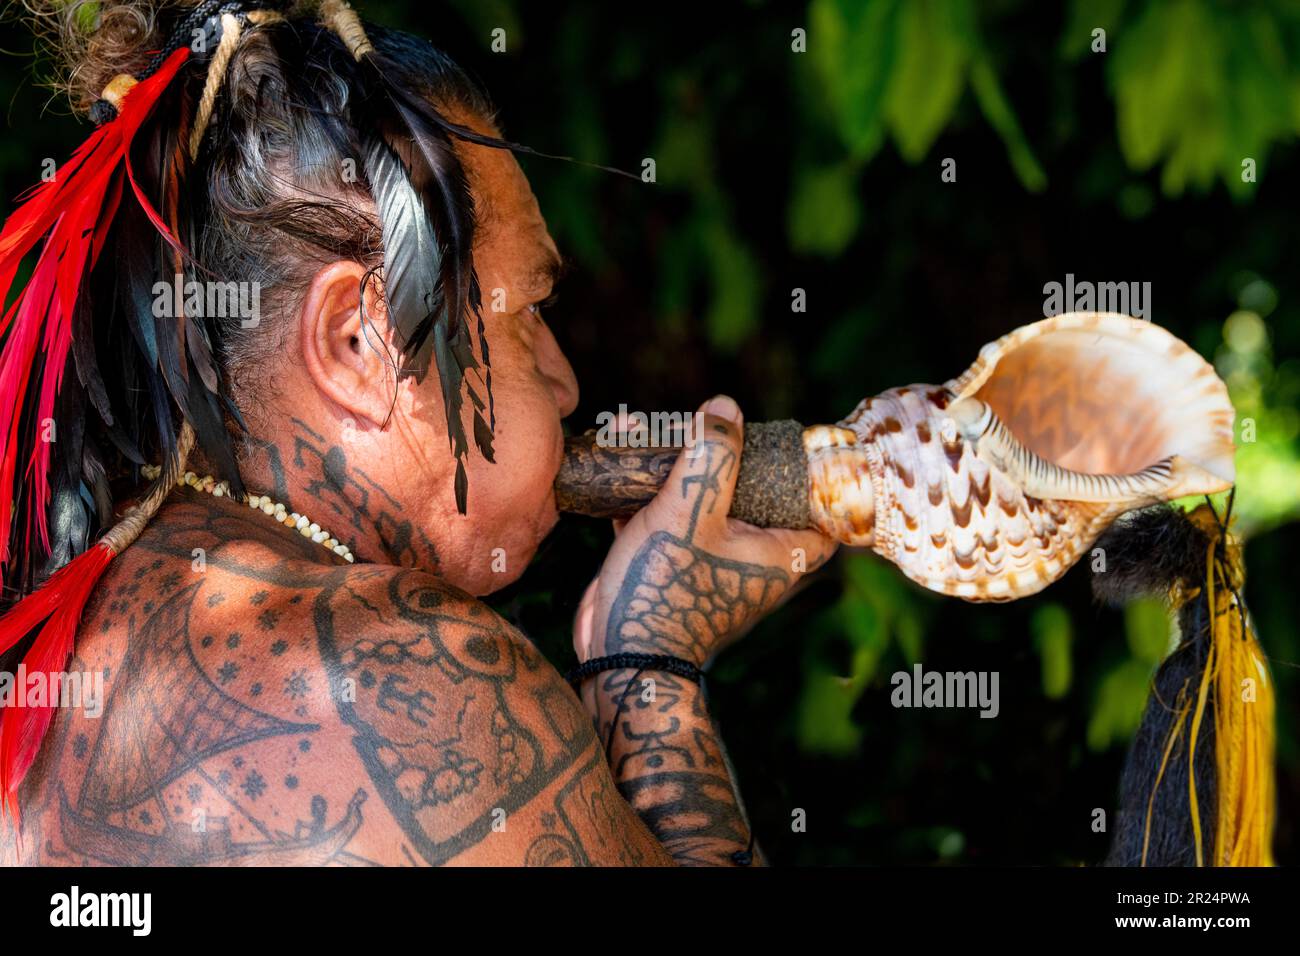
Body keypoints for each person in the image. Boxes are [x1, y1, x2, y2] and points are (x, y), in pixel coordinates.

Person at [0, 0, 835, 866]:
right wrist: (650, 670)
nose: (564, 381)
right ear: (356, 343)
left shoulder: (55, 630)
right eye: (530, 312)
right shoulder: (406, 678)